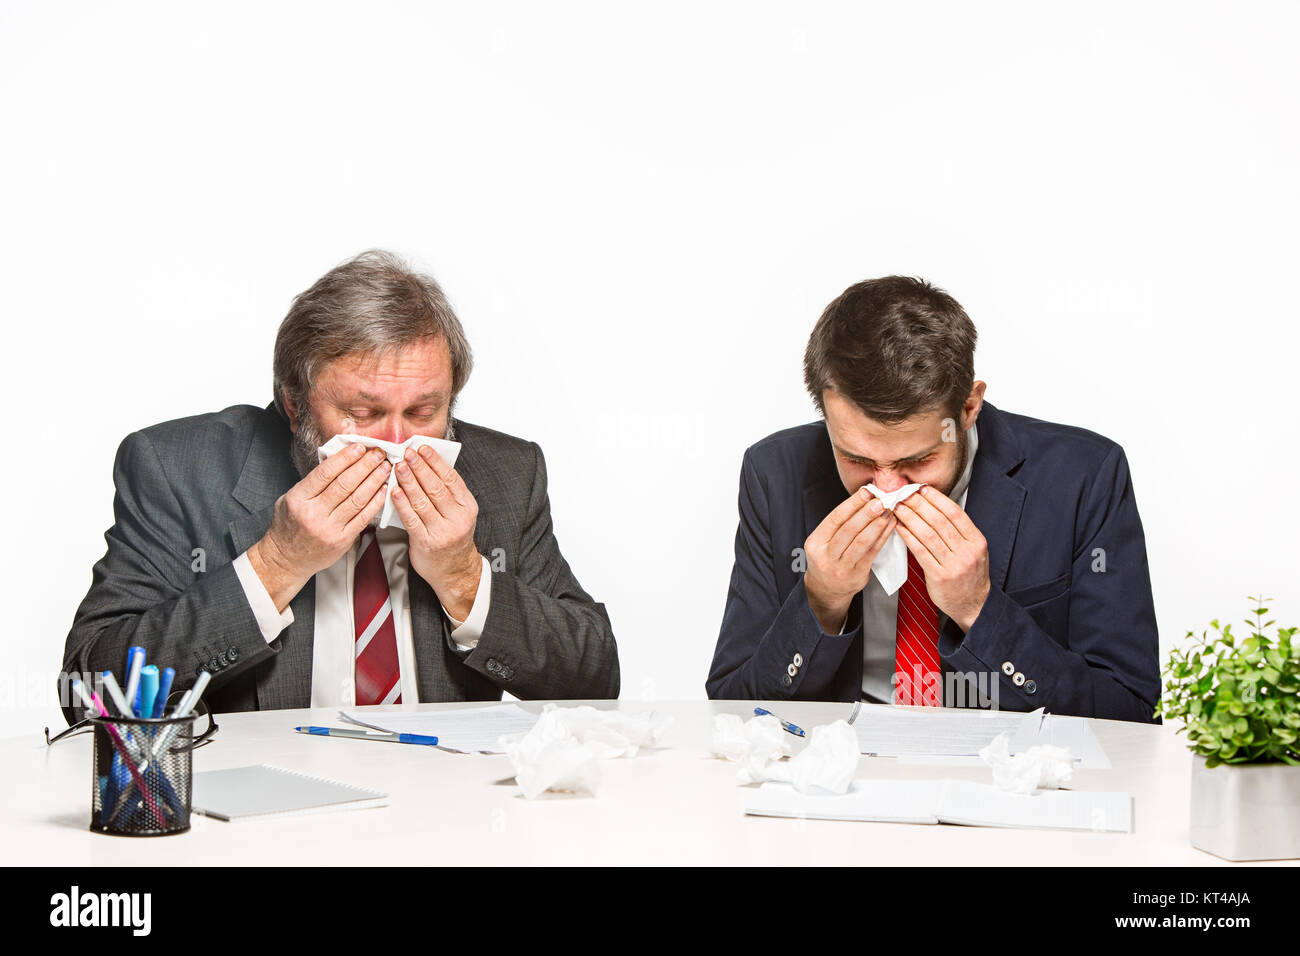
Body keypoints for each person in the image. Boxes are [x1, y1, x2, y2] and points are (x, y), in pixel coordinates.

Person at [61, 250, 618, 722]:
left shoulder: (506, 472)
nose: (397, 441)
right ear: (295, 403)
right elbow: (88, 692)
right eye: (362, 411)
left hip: (450, 816)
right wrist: (276, 564)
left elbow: (595, 682)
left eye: (424, 410)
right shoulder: (178, 468)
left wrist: (466, 579)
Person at [706, 276, 1159, 722]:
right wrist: (819, 604)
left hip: (1003, 776)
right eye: (856, 458)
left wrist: (980, 610)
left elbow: (1131, 713)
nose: (886, 488)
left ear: (968, 407)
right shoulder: (775, 473)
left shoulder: (1083, 476)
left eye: (917, 460)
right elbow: (731, 707)